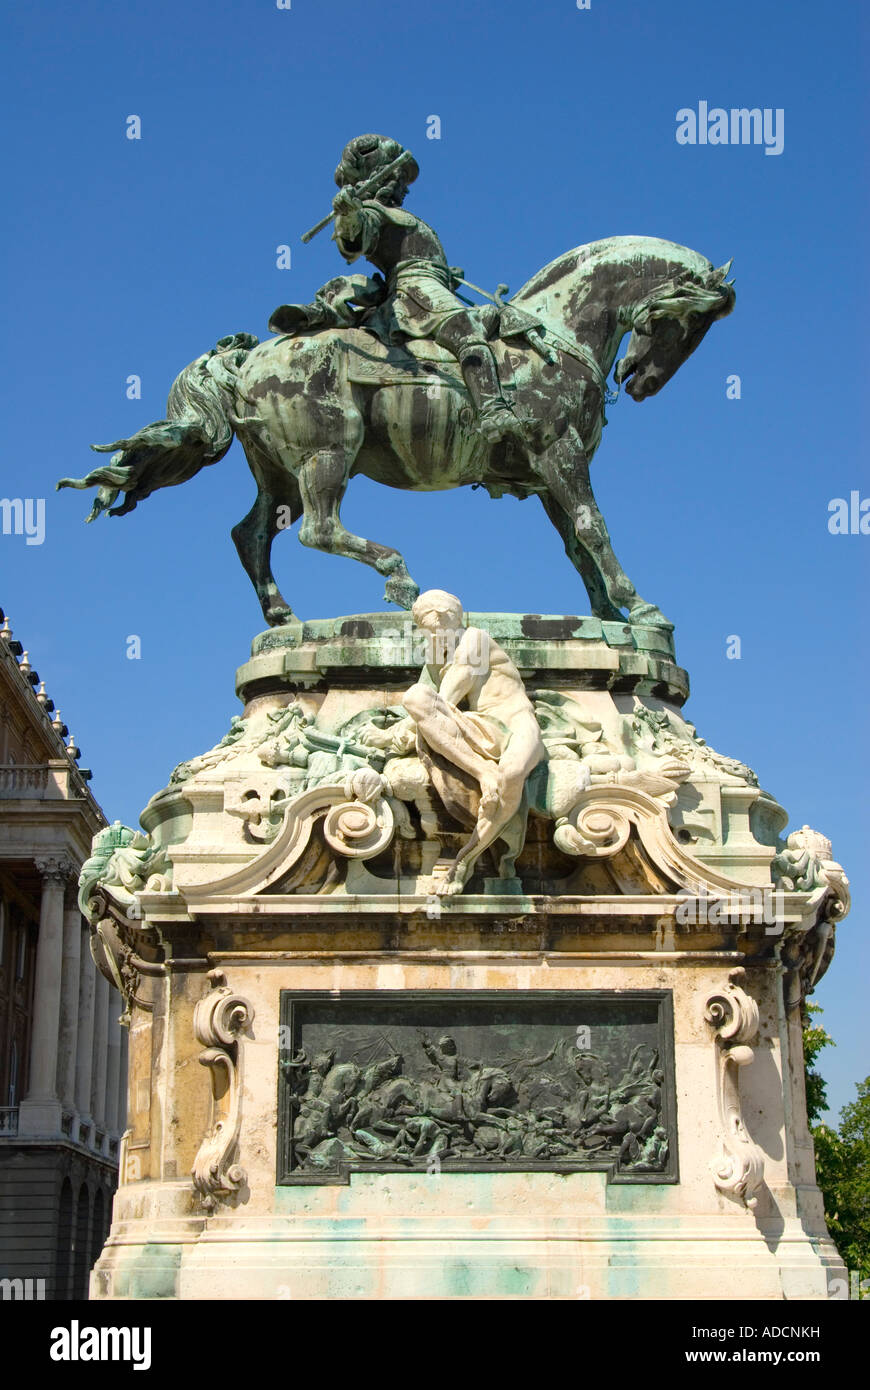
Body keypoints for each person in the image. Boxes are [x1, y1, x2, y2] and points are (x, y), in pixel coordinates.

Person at [273, 133, 526, 444]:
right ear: (381, 176)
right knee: (465, 330)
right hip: (416, 291)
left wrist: (446, 274)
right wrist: (349, 215)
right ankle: (492, 411)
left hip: (434, 283)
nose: (405, 186)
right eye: (399, 178)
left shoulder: (403, 215)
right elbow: (353, 242)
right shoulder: (373, 212)